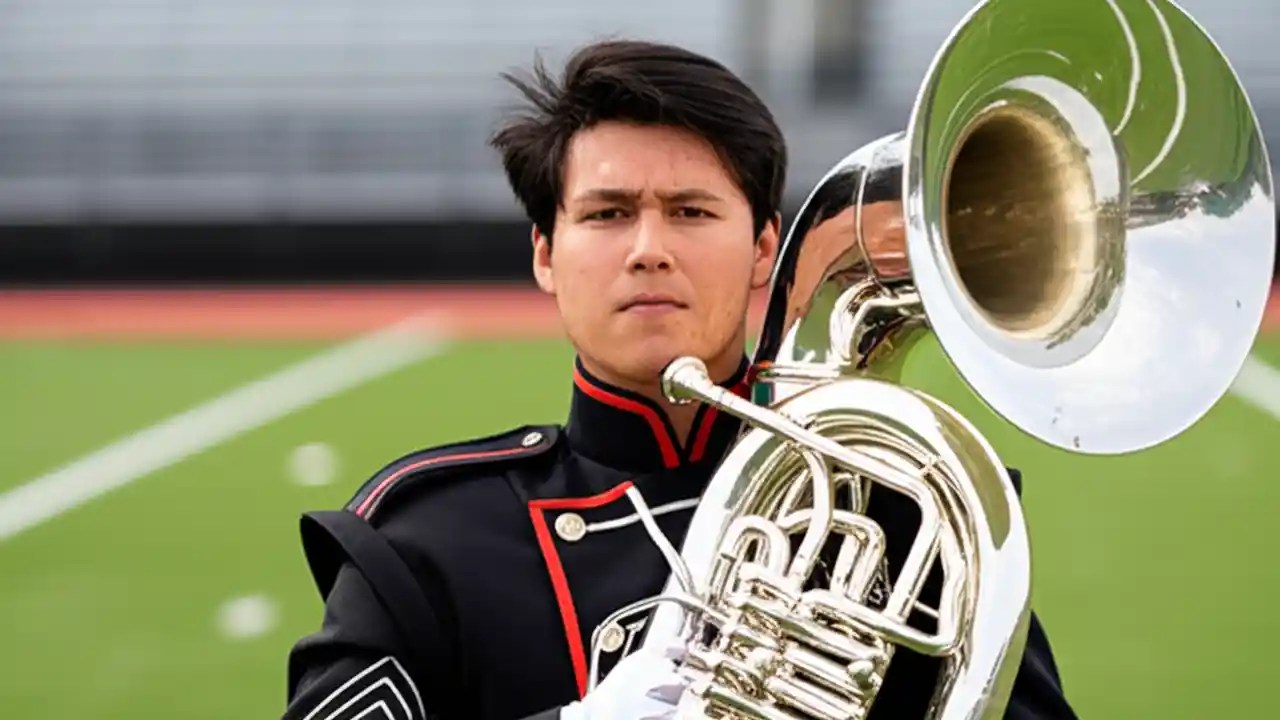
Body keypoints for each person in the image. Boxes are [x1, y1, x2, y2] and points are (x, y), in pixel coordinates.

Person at [280, 39, 1077, 720]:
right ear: (545, 255)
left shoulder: (907, 516)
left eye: (692, 213)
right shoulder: (424, 540)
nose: (648, 249)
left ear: (765, 247)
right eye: (606, 214)